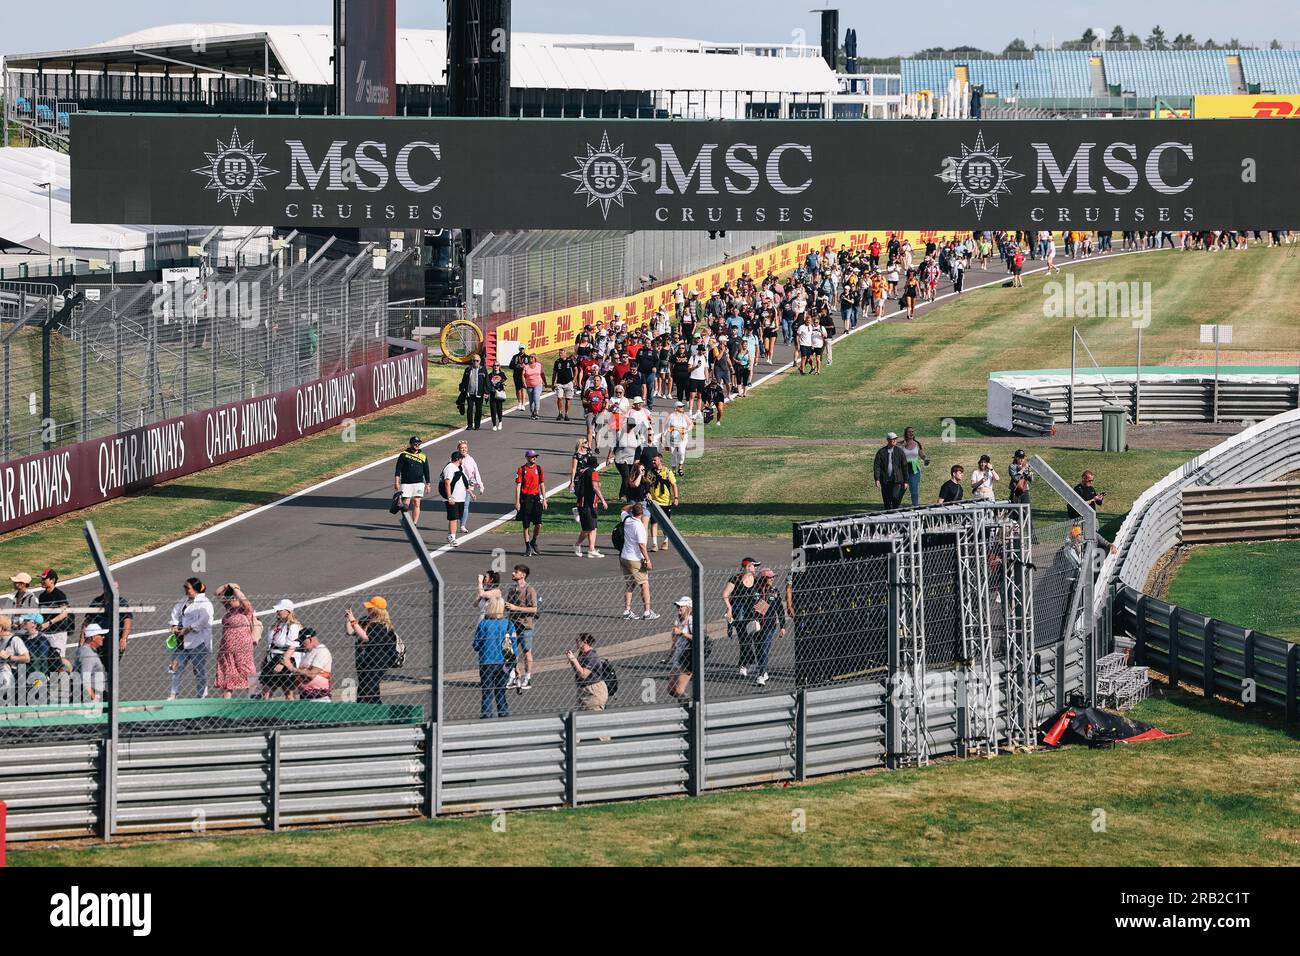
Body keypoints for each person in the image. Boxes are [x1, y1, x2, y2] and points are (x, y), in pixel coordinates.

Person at [168, 577, 214, 700]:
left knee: (198, 670)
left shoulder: (204, 602)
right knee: (176, 667)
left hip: (198, 642)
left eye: (187, 588)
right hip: (181, 641)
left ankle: (202, 696)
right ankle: (173, 694)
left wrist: (189, 628)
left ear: (195, 589)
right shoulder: (184, 600)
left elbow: (204, 620)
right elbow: (175, 613)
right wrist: (174, 625)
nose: (185, 590)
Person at [347, 596, 397, 704]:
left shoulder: (381, 626)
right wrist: (349, 619)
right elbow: (350, 631)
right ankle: (370, 712)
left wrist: (353, 620)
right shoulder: (366, 620)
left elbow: (366, 637)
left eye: (371, 608)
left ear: (377, 610)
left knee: (369, 689)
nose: (368, 609)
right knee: (365, 688)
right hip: (364, 660)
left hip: (377, 662)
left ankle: (369, 711)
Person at [472, 596, 515, 719]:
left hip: (487, 662)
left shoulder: (483, 624)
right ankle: (504, 716)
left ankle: (486, 718)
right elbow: (514, 644)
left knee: (487, 693)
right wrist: (514, 663)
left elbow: (476, 645)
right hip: (505, 663)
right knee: (501, 692)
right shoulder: (508, 624)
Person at [214, 582, 257, 700]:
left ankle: (252, 695)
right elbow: (216, 593)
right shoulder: (229, 609)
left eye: (234, 598)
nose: (231, 600)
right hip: (226, 649)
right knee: (228, 673)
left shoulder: (245, 610)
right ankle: (226, 700)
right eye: (230, 598)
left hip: (242, 648)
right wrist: (226, 585)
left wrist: (235, 588)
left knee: (247, 670)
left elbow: (245, 600)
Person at [723, 558, 762, 678]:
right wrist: (729, 609)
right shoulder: (736, 579)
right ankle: (743, 665)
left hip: (753, 614)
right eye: (753, 566)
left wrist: (761, 613)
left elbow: (763, 596)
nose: (755, 568)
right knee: (744, 640)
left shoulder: (757, 580)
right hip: (739, 614)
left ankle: (750, 662)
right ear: (747, 567)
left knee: (753, 640)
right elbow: (725, 595)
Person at [618, 503, 658, 620]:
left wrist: (632, 506)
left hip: (624, 557)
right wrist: (648, 560)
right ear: (642, 513)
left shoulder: (627, 519)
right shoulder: (639, 526)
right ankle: (647, 612)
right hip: (635, 559)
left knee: (629, 584)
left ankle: (627, 610)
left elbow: (623, 509)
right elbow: (642, 545)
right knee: (644, 584)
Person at [504, 564, 539, 691]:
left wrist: (516, 608)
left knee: (526, 651)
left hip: (525, 625)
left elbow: (534, 609)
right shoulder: (512, 589)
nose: (513, 573)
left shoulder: (530, 590)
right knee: (508, 650)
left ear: (523, 575)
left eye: (516, 572)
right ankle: (514, 675)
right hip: (512, 624)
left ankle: (527, 677)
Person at [751, 567, 787, 687]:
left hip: (770, 626)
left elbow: (780, 610)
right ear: (763, 578)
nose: (772, 579)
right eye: (769, 577)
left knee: (763, 648)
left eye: (773, 577)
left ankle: (761, 674)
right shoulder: (754, 590)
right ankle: (764, 670)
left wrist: (782, 626)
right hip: (756, 626)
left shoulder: (775, 591)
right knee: (758, 649)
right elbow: (749, 607)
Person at [261, 599, 302, 701]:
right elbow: (271, 644)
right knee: (266, 692)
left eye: (280, 610)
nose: (277, 612)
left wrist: (282, 663)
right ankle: (266, 715)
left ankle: (289, 715)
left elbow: (292, 647)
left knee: (288, 693)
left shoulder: (293, 626)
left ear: (288, 612)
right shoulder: (276, 625)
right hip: (272, 658)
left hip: (286, 660)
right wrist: (266, 660)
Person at [573, 452, 608, 558]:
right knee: (588, 528)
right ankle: (577, 544)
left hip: (588, 503)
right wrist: (603, 500)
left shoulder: (582, 471)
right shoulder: (593, 472)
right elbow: (595, 487)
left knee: (594, 527)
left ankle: (591, 549)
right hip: (587, 504)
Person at [515, 449, 547, 557]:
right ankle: (528, 546)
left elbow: (542, 483)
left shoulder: (539, 469)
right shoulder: (521, 469)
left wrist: (545, 499)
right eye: (532, 457)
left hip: (536, 498)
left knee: (538, 523)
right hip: (525, 499)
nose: (534, 458)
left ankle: (534, 541)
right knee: (526, 524)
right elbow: (518, 486)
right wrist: (517, 502)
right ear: (527, 458)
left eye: (535, 457)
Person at [644, 452, 679, 553]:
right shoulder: (651, 472)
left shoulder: (667, 472)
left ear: (660, 460)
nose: (653, 462)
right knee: (654, 523)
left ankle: (665, 541)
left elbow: (674, 485)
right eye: (652, 460)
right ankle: (654, 544)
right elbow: (647, 484)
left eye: (655, 460)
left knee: (665, 523)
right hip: (654, 502)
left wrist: (676, 498)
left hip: (666, 502)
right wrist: (647, 493)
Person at [35, 568, 73, 660]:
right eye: (42, 579)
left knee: (58, 661)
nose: (42, 581)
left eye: (44, 579)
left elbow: (64, 613)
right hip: (45, 633)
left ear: (52, 580)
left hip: (57, 633)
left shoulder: (59, 595)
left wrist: (49, 623)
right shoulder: (42, 596)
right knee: (45, 660)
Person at [566, 632, 608, 712]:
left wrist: (574, 660)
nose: (576, 642)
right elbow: (578, 670)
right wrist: (572, 661)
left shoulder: (591, 656)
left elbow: (583, 674)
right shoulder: (582, 654)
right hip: (584, 689)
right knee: (583, 716)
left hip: (593, 690)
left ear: (584, 642)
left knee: (592, 716)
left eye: (577, 640)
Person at [393, 436, 431, 525]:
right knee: (406, 504)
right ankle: (405, 519)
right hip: (406, 483)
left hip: (419, 483)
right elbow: (398, 469)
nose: (417, 445)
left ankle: (414, 523)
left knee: (417, 502)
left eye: (419, 444)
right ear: (411, 444)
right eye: (415, 443)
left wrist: (428, 484)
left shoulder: (423, 456)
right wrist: (396, 481)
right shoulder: (404, 455)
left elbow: (426, 471)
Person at [291, 628, 332, 700]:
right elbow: (302, 673)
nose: (301, 644)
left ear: (310, 639)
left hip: (318, 697)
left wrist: (292, 668)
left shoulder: (322, 651)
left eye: (302, 641)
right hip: (305, 696)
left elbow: (311, 674)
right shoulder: (308, 652)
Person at [666, 596, 694, 698]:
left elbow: (698, 638)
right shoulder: (678, 622)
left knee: (678, 690)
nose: (679, 608)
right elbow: (675, 643)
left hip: (687, 659)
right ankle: (688, 704)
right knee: (671, 689)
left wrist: (682, 633)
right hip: (678, 658)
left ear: (688, 608)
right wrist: (668, 658)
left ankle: (693, 707)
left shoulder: (691, 620)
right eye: (678, 606)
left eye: (681, 606)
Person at [873, 432, 909, 510]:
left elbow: (905, 466)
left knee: (895, 497)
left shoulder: (900, 452)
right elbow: (877, 466)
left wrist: (906, 481)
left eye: (895, 439)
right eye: (893, 439)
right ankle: (888, 516)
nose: (894, 441)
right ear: (888, 440)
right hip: (885, 480)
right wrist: (877, 479)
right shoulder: (881, 452)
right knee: (887, 500)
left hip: (897, 480)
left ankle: (896, 510)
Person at [456, 440, 485, 534]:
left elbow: (476, 472)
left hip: (468, 486)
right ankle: (455, 521)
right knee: (458, 506)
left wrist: (480, 485)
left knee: (465, 506)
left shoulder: (471, 459)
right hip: (457, 486)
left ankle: (462, 525)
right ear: (458, 449)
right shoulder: (455, 459)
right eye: (461, 448)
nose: (464, 449)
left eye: (465, 448)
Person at [440, 451, 468, 546]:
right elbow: (447, 482)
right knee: (453, 518)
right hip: (453, 498)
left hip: (460, 498)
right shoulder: (450, 467)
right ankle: (452, 538)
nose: (462, 460)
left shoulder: (457, 468)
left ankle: (450, 536)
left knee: (455, 518)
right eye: (461, 458)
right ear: (458, 459)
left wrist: (470, 492)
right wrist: (449, 497)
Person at [0, 614, 30, 698]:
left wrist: (9, 657)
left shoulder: (15, 640)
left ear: (1, 627)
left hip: (8, 673)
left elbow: (27, 658)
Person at [77, 624, 108, 701]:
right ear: (93, 637)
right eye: (101, 635)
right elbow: (85, 678)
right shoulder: (88, 654)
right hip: (93, 694)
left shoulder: (86, 649)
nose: (103, 637)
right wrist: (94, 698)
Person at [900, 427, 930, 507]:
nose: (911, 433)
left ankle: (915, 506)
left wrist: (925, 459)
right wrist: (900, 446)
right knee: (900, 489)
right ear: (905, 433)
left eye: (912, 432)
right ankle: (896, 505)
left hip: (914, 470)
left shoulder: (917, 444)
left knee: (914, 490)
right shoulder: (901, 444)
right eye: (909, 432)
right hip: (903, 470)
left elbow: (922, 454)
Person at [459, 353, 488, 430]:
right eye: (474, 360)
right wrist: (462, 389)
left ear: (480, 361)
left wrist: (486, 392)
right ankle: (469, 425)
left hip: (479, 394)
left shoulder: (483, 369)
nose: (475, 362)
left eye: (477, 361)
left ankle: (477, 425)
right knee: (470, 409)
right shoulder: (468, 369)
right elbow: (464, 381)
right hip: (470, 393)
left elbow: (486, 382)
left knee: (478, 410)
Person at [665, 401, 694, 477]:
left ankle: (680, 468)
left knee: (681, 452)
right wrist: (664, 436)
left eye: (683, 406)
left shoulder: (684, 416)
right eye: (680, 406)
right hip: (673, 438)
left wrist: (687, 430)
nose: (682, 408)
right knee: (673, 454)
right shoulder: (671, 416)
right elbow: (665, 426)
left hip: (682, 438)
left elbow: (691, 424)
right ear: (676, 408)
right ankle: (673, 470)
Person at [552, 348, 577, 421]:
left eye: (561, 353)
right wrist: (553, 383)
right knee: (559, 398)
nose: (560, 354)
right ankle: (560, 413)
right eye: (559, 353)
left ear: (565, 353)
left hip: (569, 382)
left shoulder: (570, 361)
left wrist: (574, 379)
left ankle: (566, 414)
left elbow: (576, 370)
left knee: (568, 399)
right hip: (559, 383)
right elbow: (554, 373)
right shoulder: (557, 362)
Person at [522, 353, 547, 420]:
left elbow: (542, 374)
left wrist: (545, 382)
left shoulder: (539, 365)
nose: (531, 358)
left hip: (538, 384)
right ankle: (532, 412)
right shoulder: (526, 366)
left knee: (536, 397)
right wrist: (524, 383)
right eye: (530, 357)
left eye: (532, 357)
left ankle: (536, 412)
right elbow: (523, 376)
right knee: (531, 399)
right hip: (529, 385)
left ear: (535, 358)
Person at [487, 362, 509, 431]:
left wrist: (502, 383)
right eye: (494, 365)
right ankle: (494, 425)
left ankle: (500, 422)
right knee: (493, 410)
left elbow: (505, 381)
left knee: (499, 409)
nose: (496, 367)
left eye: (497, 365)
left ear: (499, 366)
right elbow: (487, 384)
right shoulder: (490, 375)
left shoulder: (502, 374)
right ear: (493, 367)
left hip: (499, 393)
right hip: (493, 394)